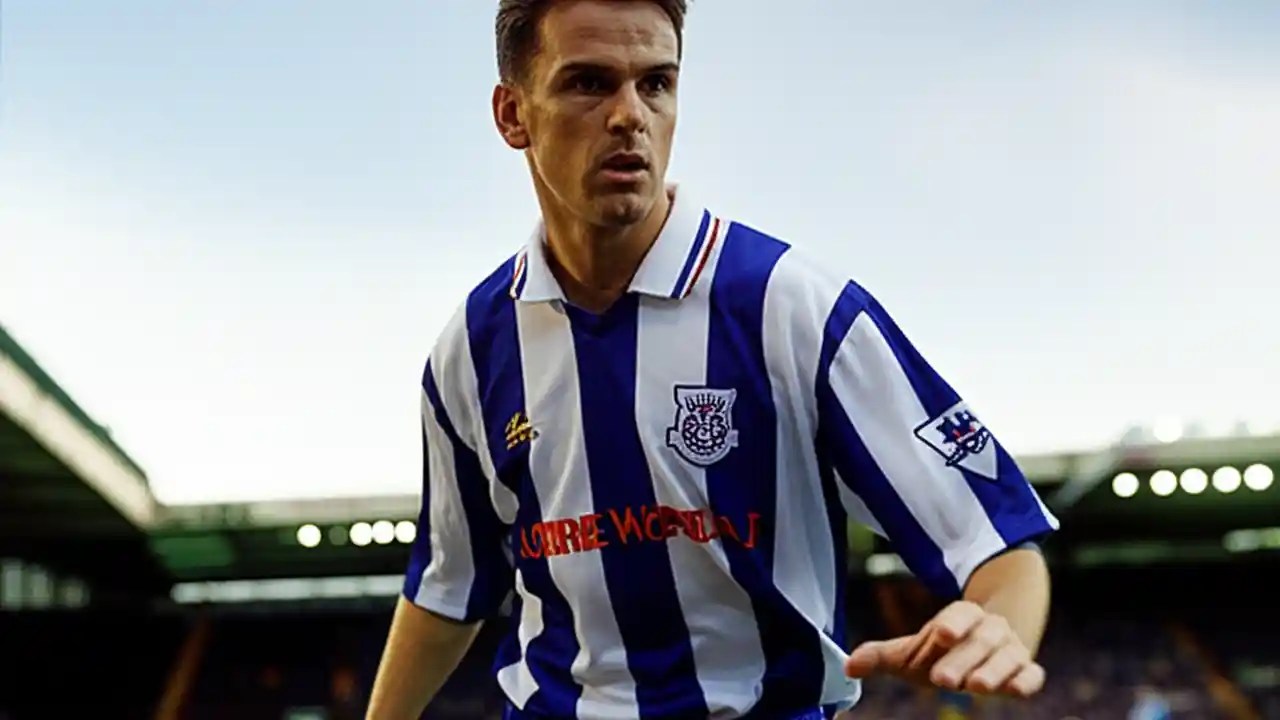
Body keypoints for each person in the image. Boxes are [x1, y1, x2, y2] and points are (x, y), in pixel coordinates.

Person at [367, 1, 1059, 718]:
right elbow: (449, 585)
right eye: (589, 83)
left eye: (656, 83)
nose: (630, 116)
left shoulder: (792, 308)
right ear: (513, 115)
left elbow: (994, 536)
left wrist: (1000, 626)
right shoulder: (472, 349)